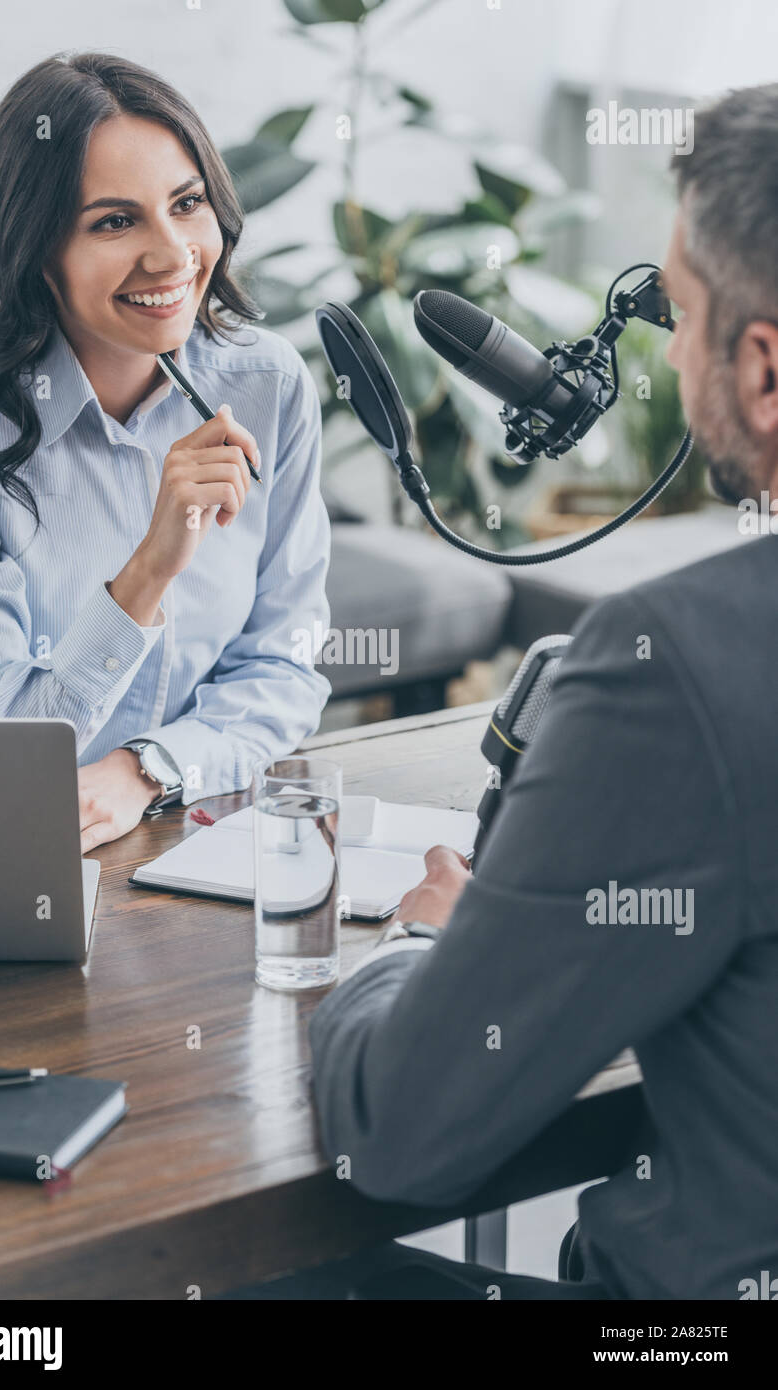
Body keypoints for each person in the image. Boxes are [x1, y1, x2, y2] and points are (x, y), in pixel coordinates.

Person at [303, 84, 778, 1301]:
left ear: (763, 370)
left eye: (681, 314)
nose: (669, 353)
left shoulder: (683, 666)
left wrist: (417, 943)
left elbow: (400, 1131)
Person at [0, 53, 331, 851]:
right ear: (35, 249)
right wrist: (147, 573)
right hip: (7, 850)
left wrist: (149, 769)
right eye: (114, 221)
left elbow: (286, 664)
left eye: (187, 204)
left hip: (191, 830)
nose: (173, 255)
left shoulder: (265, 381)